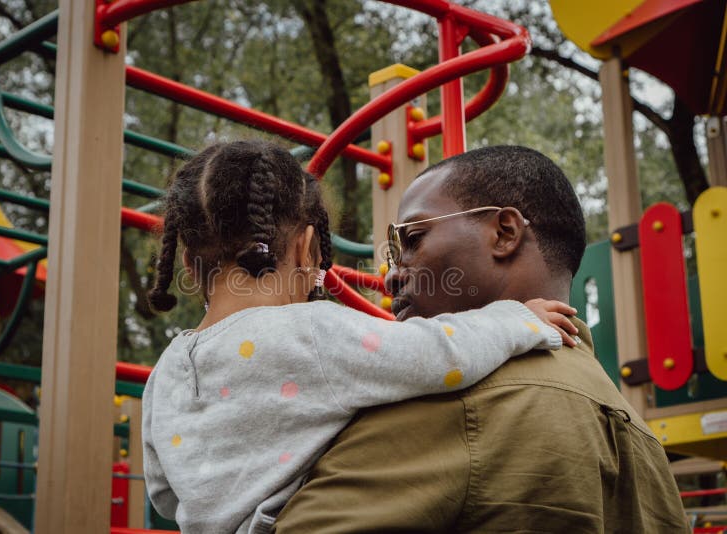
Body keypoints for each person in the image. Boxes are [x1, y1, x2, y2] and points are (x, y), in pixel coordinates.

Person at [142, 140, 578, 534]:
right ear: (307, 248)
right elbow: (439, 355)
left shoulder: (164, 374)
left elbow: (163, 493)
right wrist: (514, 319)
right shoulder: (313, 331)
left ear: (185, 260)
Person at [275, 145, 690, 533]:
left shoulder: (455, 399)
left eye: (414, 240)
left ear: (505, 232)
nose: (392, 275)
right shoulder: (640, 435)